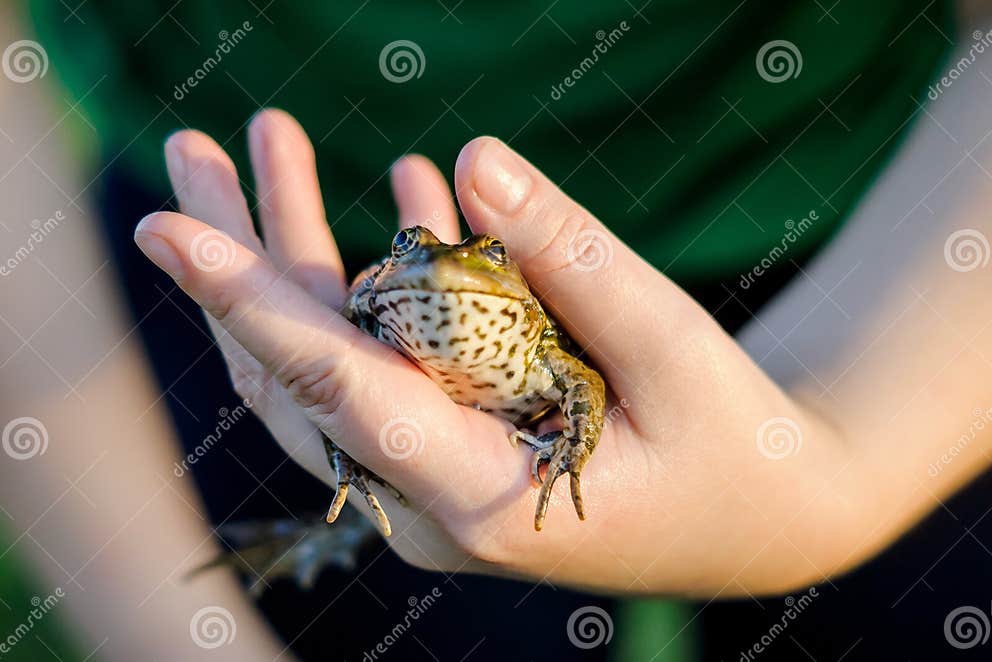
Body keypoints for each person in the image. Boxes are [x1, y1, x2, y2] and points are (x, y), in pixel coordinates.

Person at [4, 1, 992, 660]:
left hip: (883, 234)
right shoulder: (380, 291)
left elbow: (574, 382)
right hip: (255, 242)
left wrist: (845, 458)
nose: (434, 266)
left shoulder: (521, 322)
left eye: (462, 258)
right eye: (418, 256)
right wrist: (172, 631)